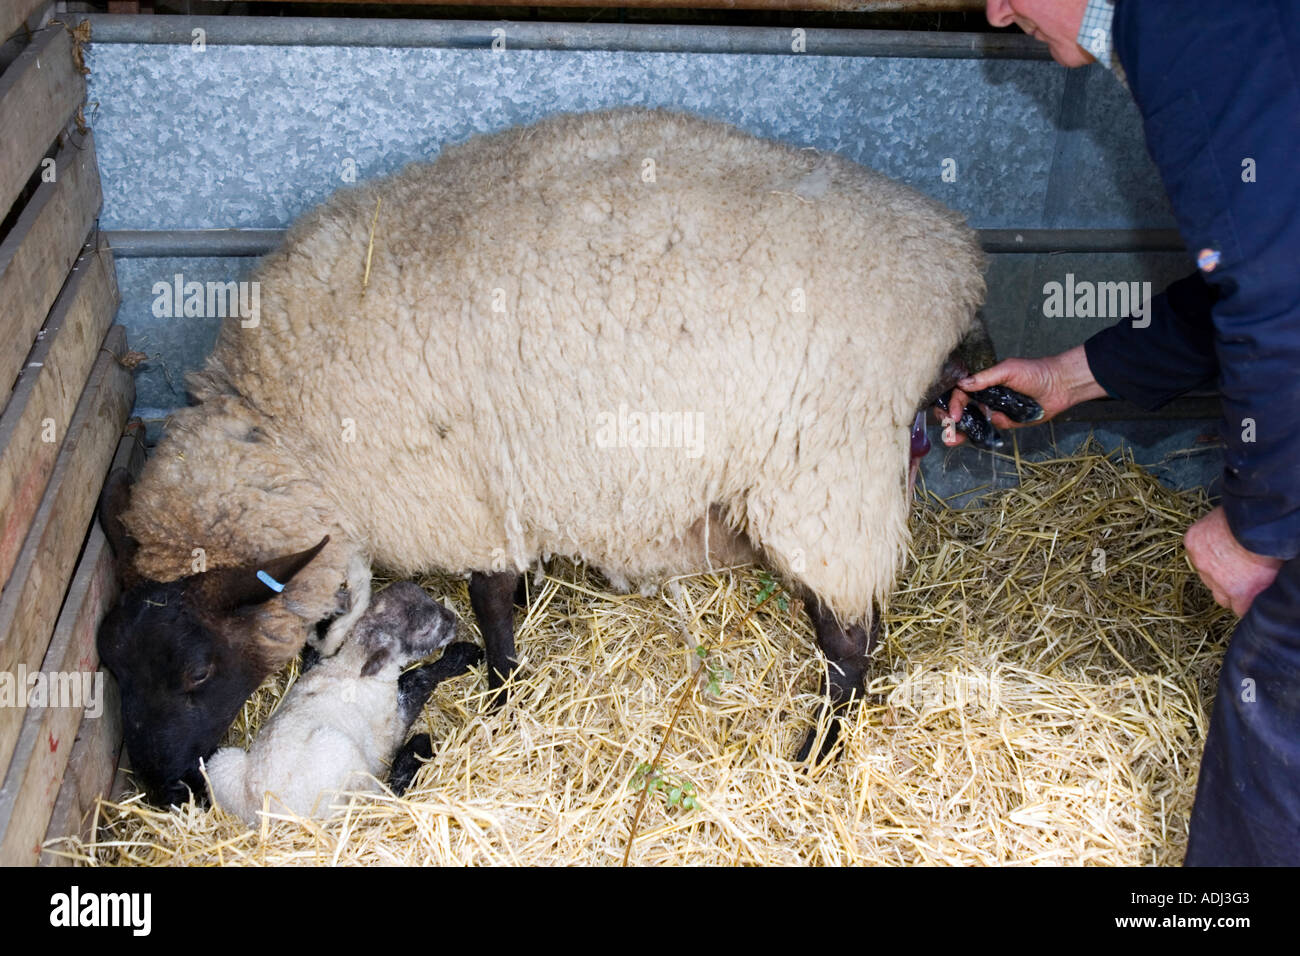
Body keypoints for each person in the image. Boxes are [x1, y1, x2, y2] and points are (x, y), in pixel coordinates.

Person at [963, 0, 1300, 865]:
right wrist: (1072, 376)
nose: (999, 12)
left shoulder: (1195, 29)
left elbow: (1276, 298)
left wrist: (1260, 530)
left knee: (1280, 700)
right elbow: (1250, 276)